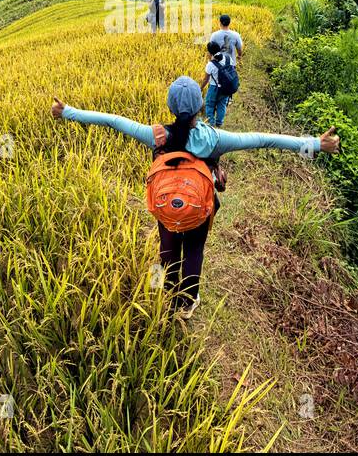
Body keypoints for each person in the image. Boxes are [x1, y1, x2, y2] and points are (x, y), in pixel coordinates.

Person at [51, 76, 338, 319]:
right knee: (193, 251)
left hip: (165, 206)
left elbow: (112, 121)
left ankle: (162, 291)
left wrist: (67, 112)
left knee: (167, 245)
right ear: (201, 107)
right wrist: (313, 144)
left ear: (170, 106)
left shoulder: (156, 136)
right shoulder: (214, 139)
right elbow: (263, 139)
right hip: (198, 208)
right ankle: (186, 304)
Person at [199, 39, 237, 128]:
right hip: (226, 88)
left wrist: (200, 88)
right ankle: (219, 123)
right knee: (222, 105)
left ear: (209, 52)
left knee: (209, 104)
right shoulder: (228, 58)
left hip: (214, 88)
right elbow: (232, 70)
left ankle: (211, 124)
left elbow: (205, 80)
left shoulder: (210, 65)